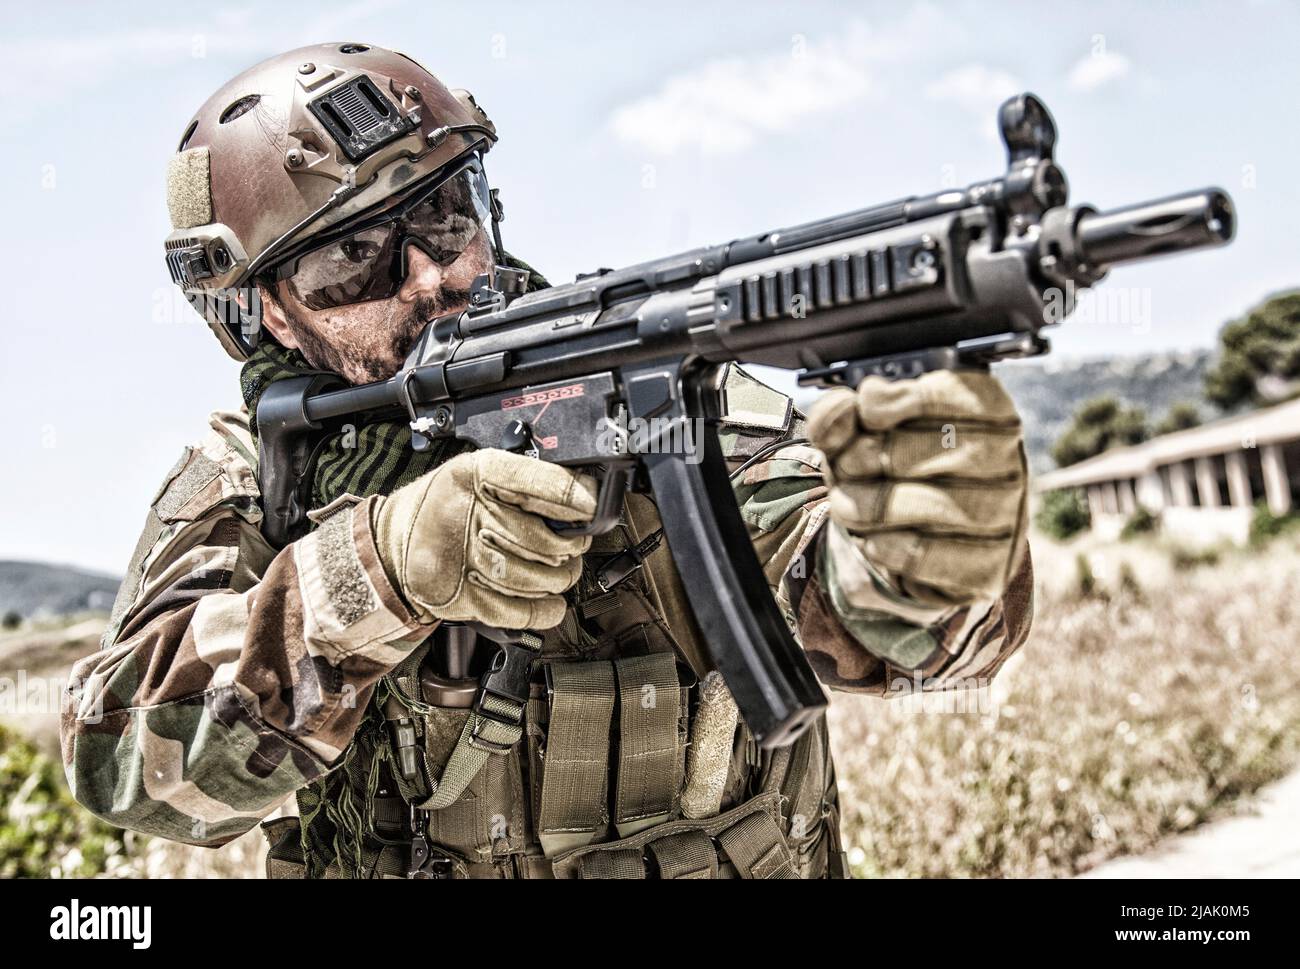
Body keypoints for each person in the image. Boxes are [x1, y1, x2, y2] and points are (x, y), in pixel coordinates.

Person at [62, 43, 1033, 879]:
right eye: (350, 260)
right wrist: (380, 572)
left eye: (448, 213)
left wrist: (921, 564)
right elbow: (126, 772)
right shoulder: (253, 471)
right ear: (264, 308)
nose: (433, 274)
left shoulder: (643, 392)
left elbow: (898, 625)